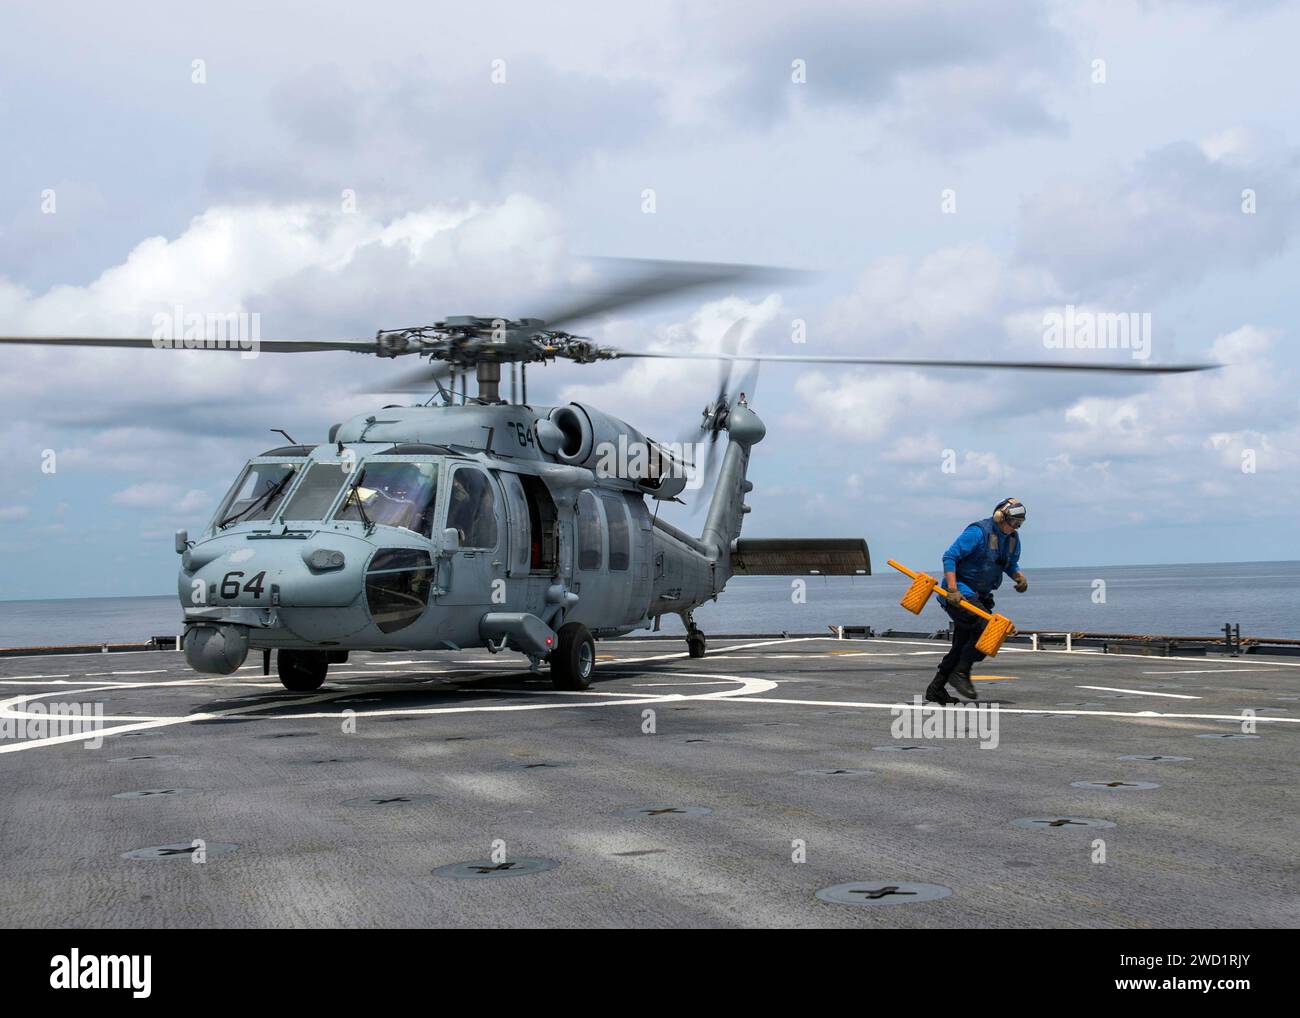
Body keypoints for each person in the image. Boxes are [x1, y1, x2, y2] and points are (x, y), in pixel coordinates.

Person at [925, 497, 1029, 705]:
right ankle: (960, 672)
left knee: (962, 644)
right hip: (960, 593)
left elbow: (1009, 563)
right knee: (988, 629)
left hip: (980, 595)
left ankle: (936, 689)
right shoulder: (978, 532)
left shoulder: (1012, 540)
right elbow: (950, 557)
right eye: (1013, 522)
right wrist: (952, 589)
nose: (1015, 527)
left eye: (1019, 524)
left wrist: (1018, 576)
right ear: (1000, 516)